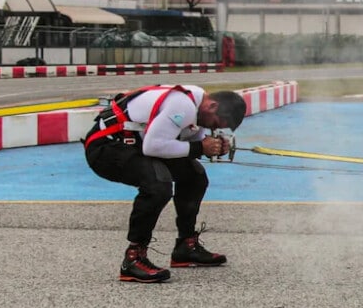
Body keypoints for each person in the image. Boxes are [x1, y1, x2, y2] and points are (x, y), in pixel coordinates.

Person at [83, 85, 248, 283]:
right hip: (105, 148)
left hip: (133, 145)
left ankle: (185, 247)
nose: (213, 128)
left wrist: (214, 146)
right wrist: (199, 147)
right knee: (158, 185)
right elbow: (153, 146)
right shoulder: (183, 105)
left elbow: (189, 142)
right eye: (215, 124)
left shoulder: (198, 105)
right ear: (212, 106)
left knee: (195, 177)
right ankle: (133, 258)